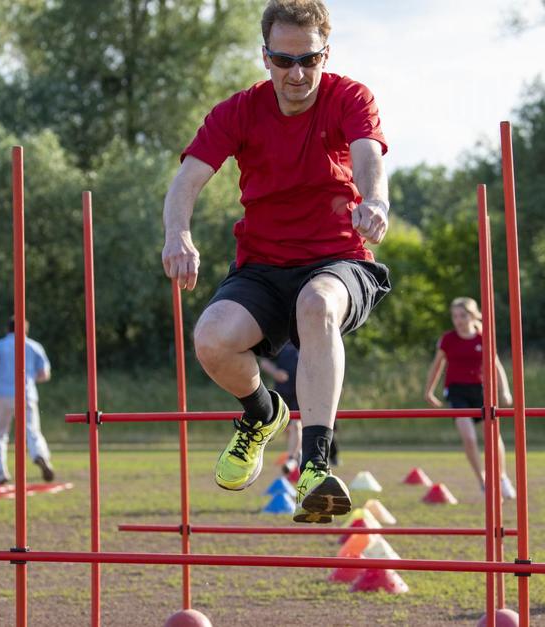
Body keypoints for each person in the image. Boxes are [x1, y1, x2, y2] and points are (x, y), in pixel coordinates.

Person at [162, 0, 391, 524]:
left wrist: (375, 201)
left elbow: (368, 157)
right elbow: (187, 180)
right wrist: (178, 235)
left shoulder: (349, 97)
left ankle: (315, 464)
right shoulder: (238, 111)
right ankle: (263, 416)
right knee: (211, 339)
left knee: (317, 304)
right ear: (265, 57)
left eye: (308, 60)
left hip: (339, 260)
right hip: (264, 265)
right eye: (283, 60)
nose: (296, 73)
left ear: (324, 55)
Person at [423, 297, 517, 498]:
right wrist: (429, 391)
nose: (458, 320)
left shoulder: (484, 336)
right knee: (469, 437)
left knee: (492, 436)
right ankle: (483, 481)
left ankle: (502, 478)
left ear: (473, 316)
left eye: (463, 316)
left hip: (482, 390)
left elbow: (496, 365)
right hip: (457, 391)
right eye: (455, 316)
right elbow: (437, 365)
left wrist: (505, 391)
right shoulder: (448, 339)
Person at [0, 317, 54, 485]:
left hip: (2, 394)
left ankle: (1, 471)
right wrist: (30, 378)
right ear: (26, 330)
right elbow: (45, 373)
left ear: (7, 329)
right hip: (26, 393)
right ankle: (40, 456)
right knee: (32, 430)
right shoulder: (34, 346)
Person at [259, 343, 340, 474]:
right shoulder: (282, 341)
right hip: (283, 392)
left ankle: (292, 458)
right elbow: (264, 362)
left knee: (296, 425)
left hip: (303, 392)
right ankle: (297, 453)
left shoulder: (310, 339)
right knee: (288, 428)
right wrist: (275, 372)